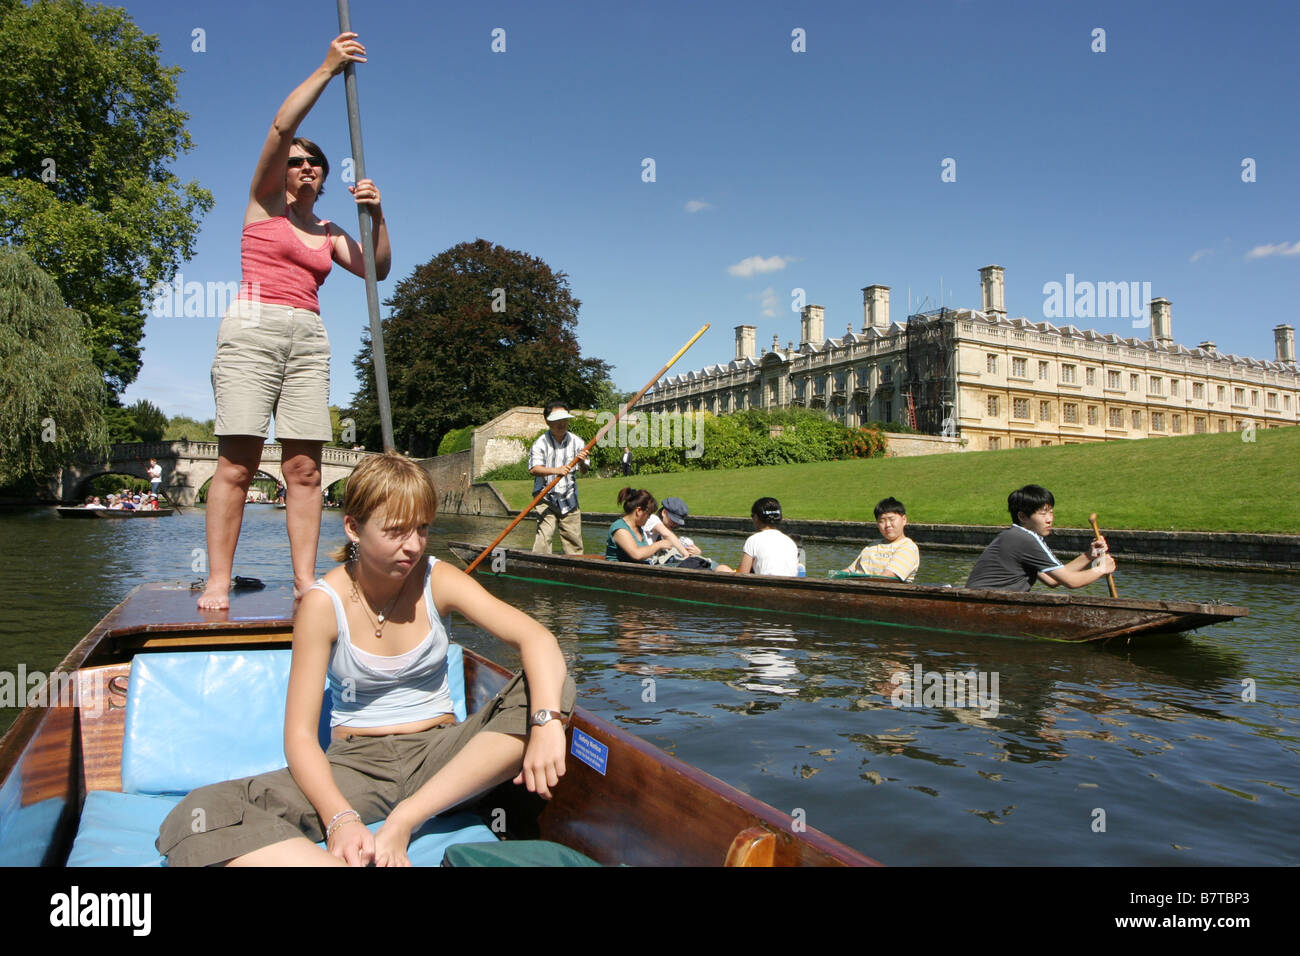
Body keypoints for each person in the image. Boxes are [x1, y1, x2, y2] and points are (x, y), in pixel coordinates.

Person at [156, 453, 574, 866]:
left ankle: (409, 816)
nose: (412, 546)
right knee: (204, 813)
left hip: (444, 758)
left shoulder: (438, 578)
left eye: (422, 529)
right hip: (358, 768)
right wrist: (340, 819)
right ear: (354, 528)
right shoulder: (323, 604)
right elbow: (300, 737)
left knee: (554, 684)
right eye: (396, 531)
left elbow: (537, 638)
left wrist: (546, 721)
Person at [198, 32, 392, 610]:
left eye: (315, 164)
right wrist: (328, 69)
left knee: (305, 468)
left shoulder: (330, 232)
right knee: (238, 462)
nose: (304, 166)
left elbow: (377, 269)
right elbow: (280, 129)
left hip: (307, 335)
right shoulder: (263, 206)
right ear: (283, 173)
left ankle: (305, 581)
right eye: (297, 162)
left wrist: (376, 214)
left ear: (323, 178)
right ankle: (218, 580)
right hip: (254, 328)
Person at [965, 484, 1115, 591]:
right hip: (987, 602)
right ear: (1022, 516)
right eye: (1043, 514)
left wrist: (1089, 556)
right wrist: (1101, 569)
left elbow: (1052, 580)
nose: (1049, 519)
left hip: (986, 600)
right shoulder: (1025, 539)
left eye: (1051, 512)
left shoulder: (1015, 535)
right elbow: (1071, 582)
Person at [529, 402, 589, 555]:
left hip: (569, 497)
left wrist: (582, 462)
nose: (562, 424)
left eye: (564, 419)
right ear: (548, 421)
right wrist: (556, 470)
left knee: (573, 540)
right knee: (544, 537)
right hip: (545, 497)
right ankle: (539, 566)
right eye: (557, 420)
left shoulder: (578, 442)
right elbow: (534, 469)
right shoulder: (540, 443)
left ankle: (575, 569)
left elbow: (583, 471)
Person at [642, 496, 731, 571]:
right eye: (673, 521)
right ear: (664, 513)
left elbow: (675, 543)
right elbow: (668, 535)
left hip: (671, 563)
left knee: (719, 567)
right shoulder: (652, 519)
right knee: (713, 568)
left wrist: (696, 552)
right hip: (657, 564)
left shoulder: (668, 532)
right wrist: (686, 554)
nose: (675, 524)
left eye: (677, 523)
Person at [842, 497, 920, 582]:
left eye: (892, 519)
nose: (887, 525)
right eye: (882, 521)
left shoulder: (907, 547)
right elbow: (849, 571)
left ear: (904, 520)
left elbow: (887, 578)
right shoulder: (871, 547)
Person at [605, 488, 677, 563]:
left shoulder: (639, 528)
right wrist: (659, 545)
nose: (649, 517)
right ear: (638, 511)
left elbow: (645, 553)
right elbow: (637, 554)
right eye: (649, 514)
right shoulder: (619, 529)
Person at [737, 497, 799, 576]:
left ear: (756, 518)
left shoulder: (753, 540)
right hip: (790, 587)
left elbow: (742, 575)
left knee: (721, 568)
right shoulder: (791, 542)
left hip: (764, 587)